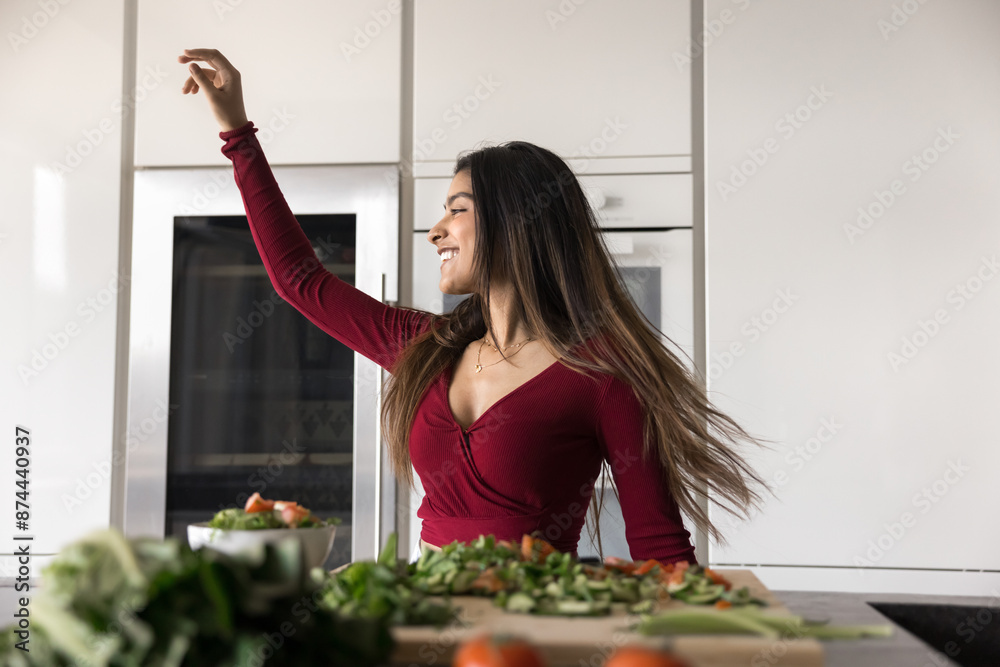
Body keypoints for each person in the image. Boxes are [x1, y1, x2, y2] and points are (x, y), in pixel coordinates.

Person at [178, 48, 768, 564]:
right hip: (424, 621)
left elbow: (660, 548)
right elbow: (297, 280)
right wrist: (238, 134)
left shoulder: (604, 376)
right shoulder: (426, 349)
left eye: (456, 209)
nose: (436, 230)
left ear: (517, 223)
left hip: (526, 637)